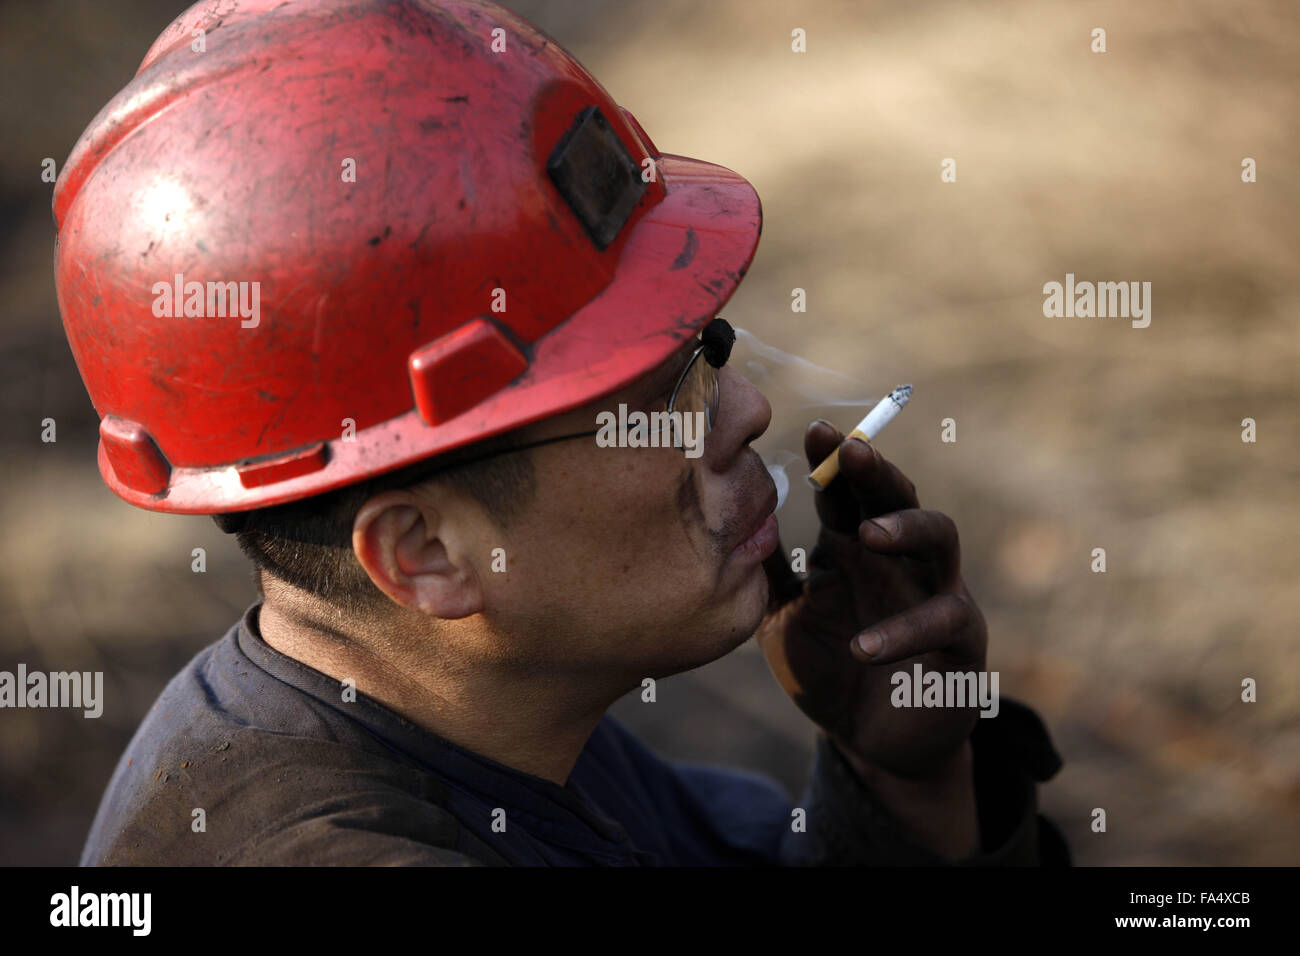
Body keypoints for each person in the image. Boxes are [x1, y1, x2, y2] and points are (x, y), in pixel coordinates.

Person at [55, 0, 1069, 866]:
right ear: (426, 552)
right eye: (657, 396)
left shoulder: (490, 721)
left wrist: (905, 781)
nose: (747, 411)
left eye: (705, 350)